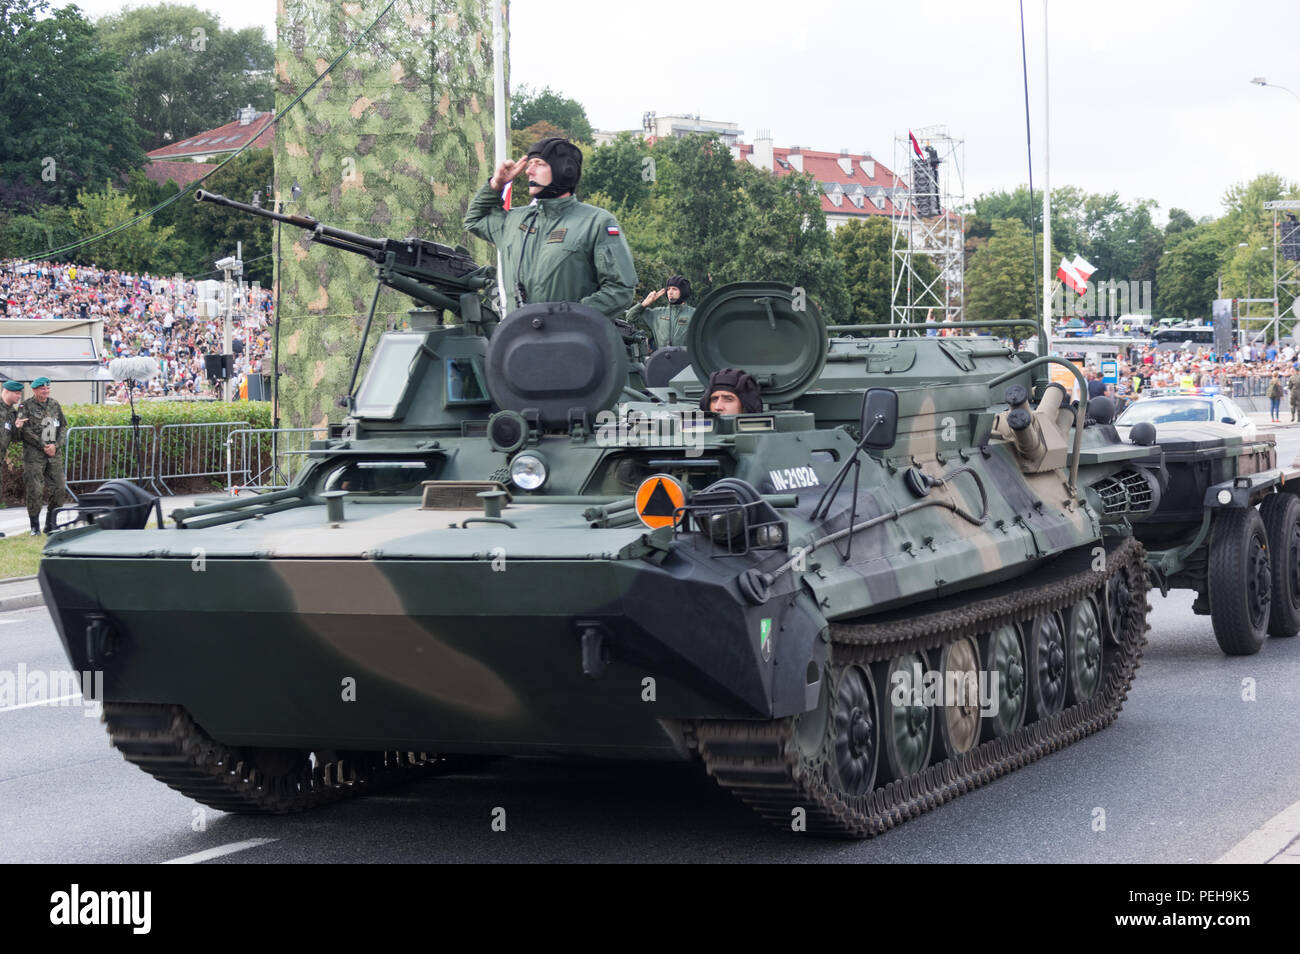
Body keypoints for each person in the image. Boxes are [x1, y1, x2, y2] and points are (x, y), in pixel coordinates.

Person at [463, 137, 637, 320]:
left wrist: (566, 317)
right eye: (529, 164)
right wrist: (496, 185)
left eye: (539, 164)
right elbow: (474, 219)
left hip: (572, 342)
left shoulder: (596, 222)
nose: (529, 171)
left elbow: (620, 290)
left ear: (564, 170)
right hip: (518, 340)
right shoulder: (514, 221)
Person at [20, 377, 68, 535]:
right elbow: (24, 431)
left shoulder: (54, 404)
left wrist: (56, 446)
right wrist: (43, 446)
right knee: (36, 490)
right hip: (34, 456)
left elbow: (63, 427)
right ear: (34, 390)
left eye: (48, 388)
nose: (46, 391)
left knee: (59, 488)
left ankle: (51, 524)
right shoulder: (25, 406)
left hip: (54, 454)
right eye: (42, 389)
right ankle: (35, 527)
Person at [626, 275, 694, 349]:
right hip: (662, 358)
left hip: (686, 359)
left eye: (674, 289)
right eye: (668, 289)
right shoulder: (657, 313)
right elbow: (630, 318)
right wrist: (644, 303)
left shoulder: (694, 314)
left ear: (683, 291)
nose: (670, 292)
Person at [0, 381, 26, 510]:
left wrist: (18, 427)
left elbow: (15, 438)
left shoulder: (12, 413)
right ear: (6, 391)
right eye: (16, 393)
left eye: (20, 393)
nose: (19, 396)